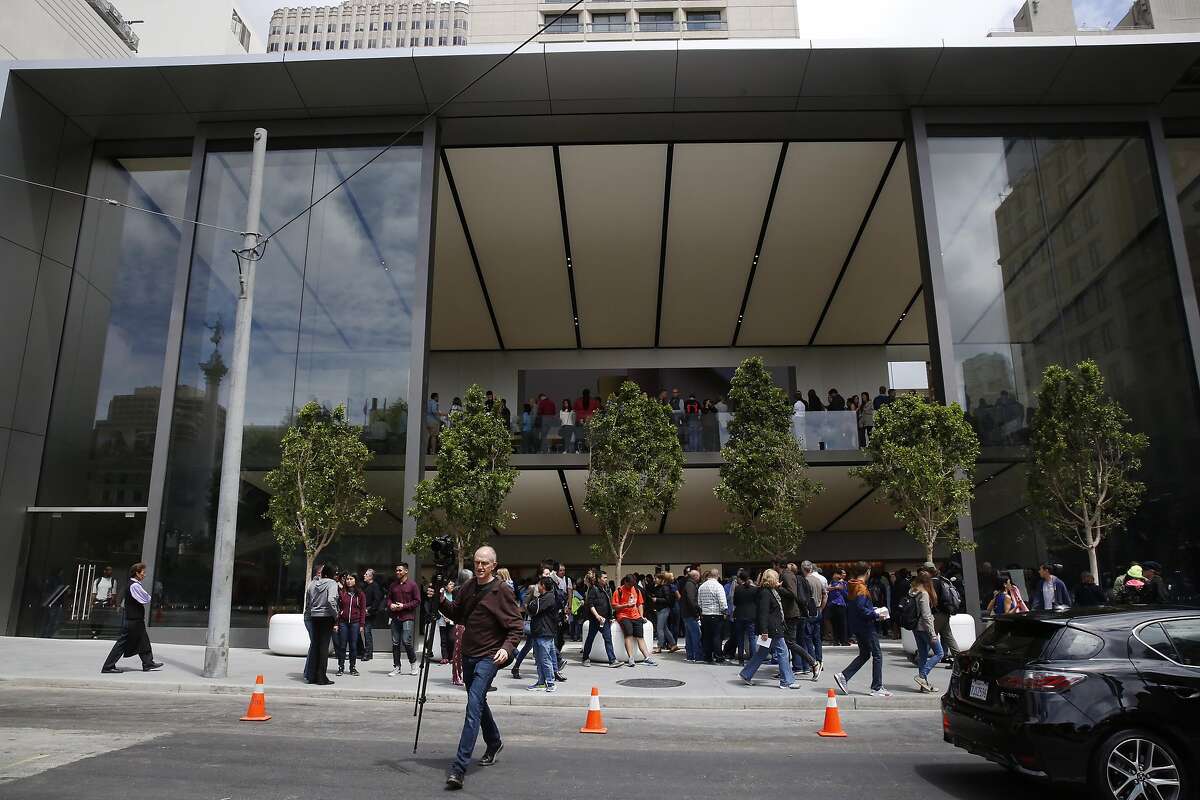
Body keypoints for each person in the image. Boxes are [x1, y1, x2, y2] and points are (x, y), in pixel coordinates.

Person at [430, 546, 523, 790]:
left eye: (485, 563)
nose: (480, 567)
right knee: (478, 701)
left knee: (473, 706)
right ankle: (494, 742)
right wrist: (439, 600)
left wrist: (507, 647)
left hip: (489, 657)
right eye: (477, 562)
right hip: (468, 654)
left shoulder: (502, 591)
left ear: (494, 565)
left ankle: (458, 768)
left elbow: (516, 626)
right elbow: (458, 615)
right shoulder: (469, 586)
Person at [832, 562, 889, 697]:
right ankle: (876, 687)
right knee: (877, 654)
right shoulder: (861, 588)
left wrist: (872, 610)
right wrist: (876, 614)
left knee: (865, 654)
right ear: (868, 571)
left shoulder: (851, 585)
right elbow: (861, 609)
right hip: (866, 625)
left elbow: (857, 607)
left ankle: (844, 676)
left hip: (857, 625)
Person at [738, 569, 800, 689]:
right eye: (776, 578)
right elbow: (763, 613)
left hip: (772, 628)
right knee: (783, 652)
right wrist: (764, 631)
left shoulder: (769, 591)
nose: (778, 580)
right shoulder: (766, 593)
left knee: (762, 653)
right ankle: (786, 681)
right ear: (772, 579)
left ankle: (746, 674)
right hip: (772, 629)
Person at [100, 563, 163, 674]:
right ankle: (108, 666)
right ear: (137, 573)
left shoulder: (133, 584)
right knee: (122, 643)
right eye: (143, 572)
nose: (144, 575)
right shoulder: (134, 586)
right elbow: (146, 598)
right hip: (133, 620)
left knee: (143, 640)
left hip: (135, 619)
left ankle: (148, 663)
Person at [778, 562, 821, 679]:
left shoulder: (790, 578)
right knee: (802, 641)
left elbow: (793, 594)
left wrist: (779, 588)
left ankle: (810, 663)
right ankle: (802, 666)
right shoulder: (806, 580)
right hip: (804, 613)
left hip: (795, 614)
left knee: (792, 642)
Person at [302, 563, 339, 686]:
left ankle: (311, 676)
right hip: (326, 616)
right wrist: (336, 614)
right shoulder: (332, 583)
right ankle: (321, 677)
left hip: (314, 616)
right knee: (324, 648)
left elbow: (309, 601)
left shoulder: (312, 584)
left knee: (316, 646)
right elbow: (331, 600)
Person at [525, 576, 561, 692]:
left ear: (543, 586)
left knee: (545, 659)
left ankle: (550, 683)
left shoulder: (548, 597)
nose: (537, 587)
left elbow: (533, 608)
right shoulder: (543, 597)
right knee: (540, 659)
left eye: (539, 584)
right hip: (540, 632)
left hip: (544, 632)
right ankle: (541, 682)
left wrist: (530, 603)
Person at [910, 570, 943, 693]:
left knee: (923, 655)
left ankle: (924, 685)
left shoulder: (913, 592)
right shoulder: (924, 594)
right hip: (924, 628)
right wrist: (932, 633)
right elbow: (926, 615)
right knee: (939, 653)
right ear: (928, 581)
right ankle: (922, 676)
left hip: (915, 628)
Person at [612, 575, 656, 667]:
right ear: (626, 582)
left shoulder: (636, 590)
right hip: (623, 616)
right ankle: (631, 658)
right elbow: (615, 606)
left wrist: (641, 616)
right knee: (628, 635)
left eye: (633, 584)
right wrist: (626, 605)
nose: (631, 586)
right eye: (630, 585)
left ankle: (647, 657)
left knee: (640, 636)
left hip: (636, 616)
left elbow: (640, 604)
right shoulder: (619, 591)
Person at [386, 564, 421, 676]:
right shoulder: (393, 585)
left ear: (406, 571)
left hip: (407, 617)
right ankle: (397, 667)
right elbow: (389, 599)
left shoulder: (412, 585)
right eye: (396, 570)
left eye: (400, 570)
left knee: (406, 641)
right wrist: (390, 605)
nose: (397, 572)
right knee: (395, 643)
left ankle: (413, 662)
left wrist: (403, 606)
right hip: (395, 617)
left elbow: (417, 601)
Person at [581, 570, 618, 667]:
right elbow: (590, 604)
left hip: (604, 619)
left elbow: (608, 604)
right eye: (604, 578)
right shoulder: (593, 589)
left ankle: (612, 660)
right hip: (595, 620)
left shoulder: (606, 588)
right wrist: (597, 616)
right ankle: (585, 658)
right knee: (590, 639)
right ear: (598, 579)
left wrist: (610, 617)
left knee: (608, 638)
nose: (606, 579)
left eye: (606, 577)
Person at [928, 563, 963, 658]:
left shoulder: (933, 583)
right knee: (948, 637)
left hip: (937, 613)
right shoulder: (943, 580)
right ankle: (959, 658)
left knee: (930, 635)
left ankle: (920, 656)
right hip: (945, 612)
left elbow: (931, 599)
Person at [336, 573, 366, 677]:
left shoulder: (360, 594)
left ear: (355, 580)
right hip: (343, 622)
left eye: (351, 579)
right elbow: (338, 609)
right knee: (342, 646)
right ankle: (341, 667)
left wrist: (361, 625)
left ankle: (352, 667)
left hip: (355, 622)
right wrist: (336, 623)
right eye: (347, 579)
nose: (348, 581)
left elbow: (362, 610)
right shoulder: (342, 593)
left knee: (353, 646)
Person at [697, 568, 728, 663]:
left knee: (706, 636)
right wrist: (725, 611)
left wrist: (702, 611)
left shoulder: (702, 586)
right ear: (717, 576)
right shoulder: (718, 586)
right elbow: (722, 601)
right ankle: (718, 656)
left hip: (705, 615)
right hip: (716, 614)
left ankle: (707, 656)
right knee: (717, 636)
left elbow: (699, 602)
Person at [800, 561, 826, 664]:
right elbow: (825, 595)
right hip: (818, 610)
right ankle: (819, 660)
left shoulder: (805, 581)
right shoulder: (818, 580)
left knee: (808, 638)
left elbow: (803, 599)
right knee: (817, 638)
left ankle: (813, 661)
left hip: (809, 611)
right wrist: (821, 608)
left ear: (802, 569)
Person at [731, 569, 759, 664]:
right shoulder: (754, 589)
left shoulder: (738, 589)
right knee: (752, 637)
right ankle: (753, 658)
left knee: (740, 637)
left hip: (739, 615)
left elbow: (735, 602)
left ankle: (741, 659)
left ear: (740, 578)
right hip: (751, 615)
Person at [360, 568, 385, 662]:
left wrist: (369, 610)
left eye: (366, 574)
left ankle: (368, 653)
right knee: (364, 632)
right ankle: (365, 652)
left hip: (369, 613)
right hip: (364, 612)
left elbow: (377, 600)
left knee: (367, 632)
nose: (364, 575)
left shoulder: (375, 586)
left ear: (371, 576)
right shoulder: (366, 586)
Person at [651, 571, 678, 654]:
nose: (654, 580)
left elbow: (668, 600)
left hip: (664, 609)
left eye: (656, 578)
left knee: (659, 628)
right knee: (664, 628)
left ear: (661, 579)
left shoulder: (665, 587)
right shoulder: (659, 587)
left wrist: (656, 599)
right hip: (660, 609)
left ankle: (659, 647)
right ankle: (673, 644)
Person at [679, 568, 702, 662]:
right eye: (699, 575)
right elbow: (691, 600)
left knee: (689, 635)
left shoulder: (688, 584)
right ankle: (697, 655)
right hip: (690, 614)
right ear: (695, 576)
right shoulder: (690, 585)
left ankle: (690, 655)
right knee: (696, 634)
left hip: (686, 613)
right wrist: (696, 612)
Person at [89, 564, 118, 639]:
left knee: (101, 619)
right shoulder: (98, 580)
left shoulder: (113, 581)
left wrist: (113, 603)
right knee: (94, 618)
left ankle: (97, 634)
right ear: (104, 571)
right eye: (108, 570)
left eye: (111, 570)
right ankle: (93, 631)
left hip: (106, 602)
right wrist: (91, 603)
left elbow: (114, 594)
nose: (110, 572)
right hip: (97, 601)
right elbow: (94, 592)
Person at [826, 569, 850, 646]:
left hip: (841, 604)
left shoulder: (844, 583)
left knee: (842, 623)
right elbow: (827, 589)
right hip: (832, 604)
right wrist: (835, 588)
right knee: (834, 623)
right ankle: (836, 640)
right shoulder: (831, 583)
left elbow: (846, 594)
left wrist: (840, 589)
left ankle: (844, 640)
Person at [439, 580, 458, 664]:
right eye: (450, 584)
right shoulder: (443, 595)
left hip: (452, 620)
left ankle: (451, 657)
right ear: (446, 586)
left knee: (452, 639)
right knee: (443, 639)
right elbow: (439, 607)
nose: (452, 585)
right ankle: (444, 657)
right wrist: (444, 616)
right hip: (443, 620)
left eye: (453, 584)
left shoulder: (456, 595)